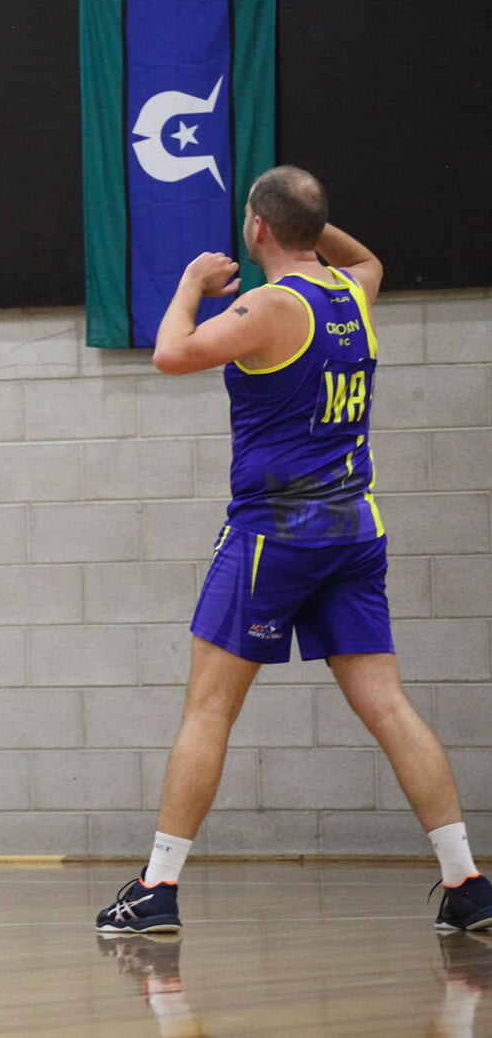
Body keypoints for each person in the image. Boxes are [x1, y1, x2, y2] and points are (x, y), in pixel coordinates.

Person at [96, 165, 492, 936]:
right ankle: (466, 878)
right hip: (354, 526)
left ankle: (158, 885)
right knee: (388, 703)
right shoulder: (356, 293)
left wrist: (187, 282)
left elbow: (170, 353)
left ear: (256, 231)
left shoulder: (266, 307)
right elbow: (364, 258)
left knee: (209, 706)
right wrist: (307, 224)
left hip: (275, 531)